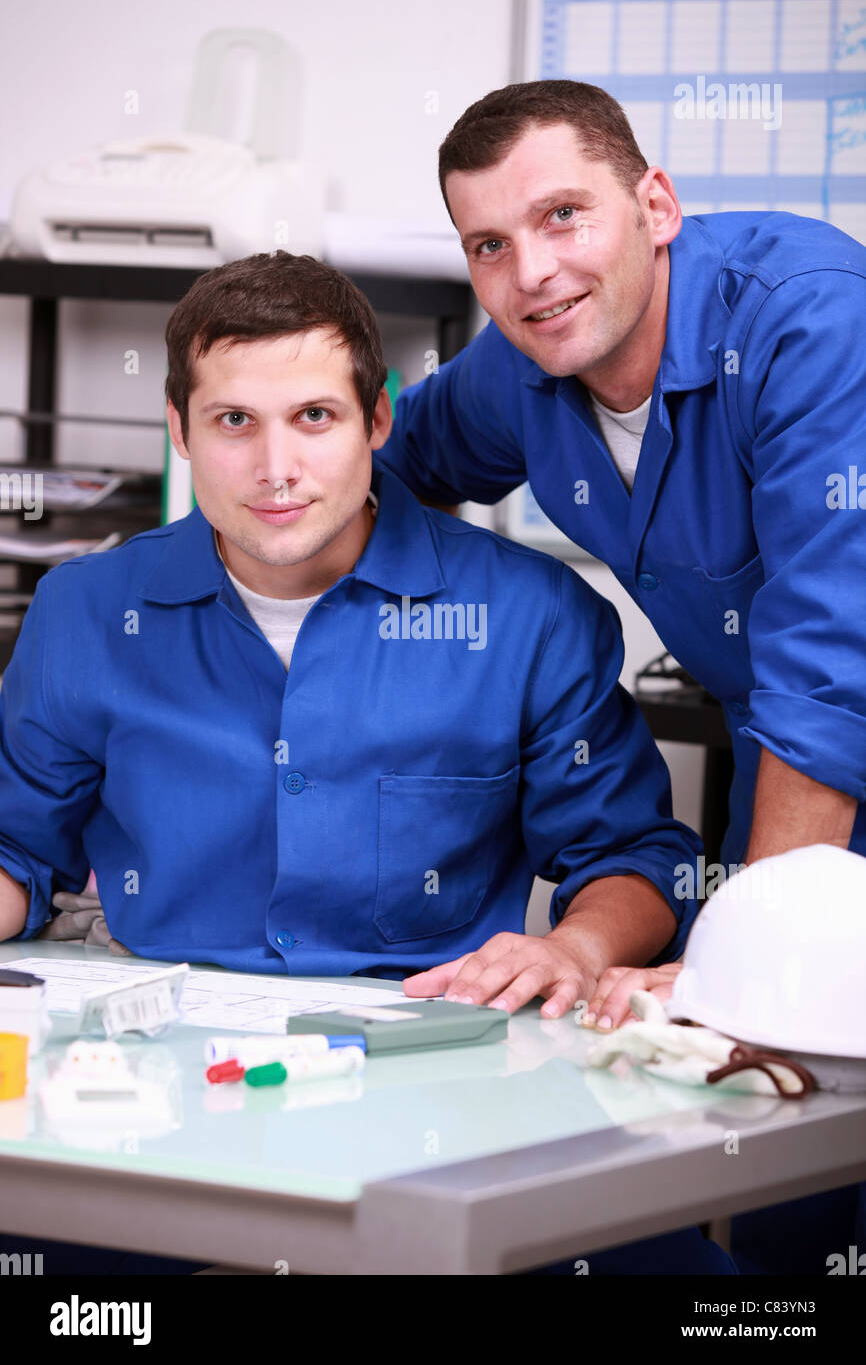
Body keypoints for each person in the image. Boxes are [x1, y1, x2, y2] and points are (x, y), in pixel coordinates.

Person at [0, 249, 735, 1275]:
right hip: (155, 1080)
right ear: (176, 429)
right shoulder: (87, 611)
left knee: (692, 1287)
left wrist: (568, 953)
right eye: (231, 422)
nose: (274, 469)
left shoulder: (524, 616)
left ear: (377, 420)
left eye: (313, 417)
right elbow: (15, 850)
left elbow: (637, 857)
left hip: (440, 1079)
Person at [374, 77, 866, 1271]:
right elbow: (383, 472)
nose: (529, 272)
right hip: (785, 759)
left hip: (821, 731)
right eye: (487, 244)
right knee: (771, 1150)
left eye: (561, 217)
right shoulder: (520, 369)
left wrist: (739, 972)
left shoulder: (808, 317)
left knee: (792, 1073)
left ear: (654, 204)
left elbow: (827, 658)